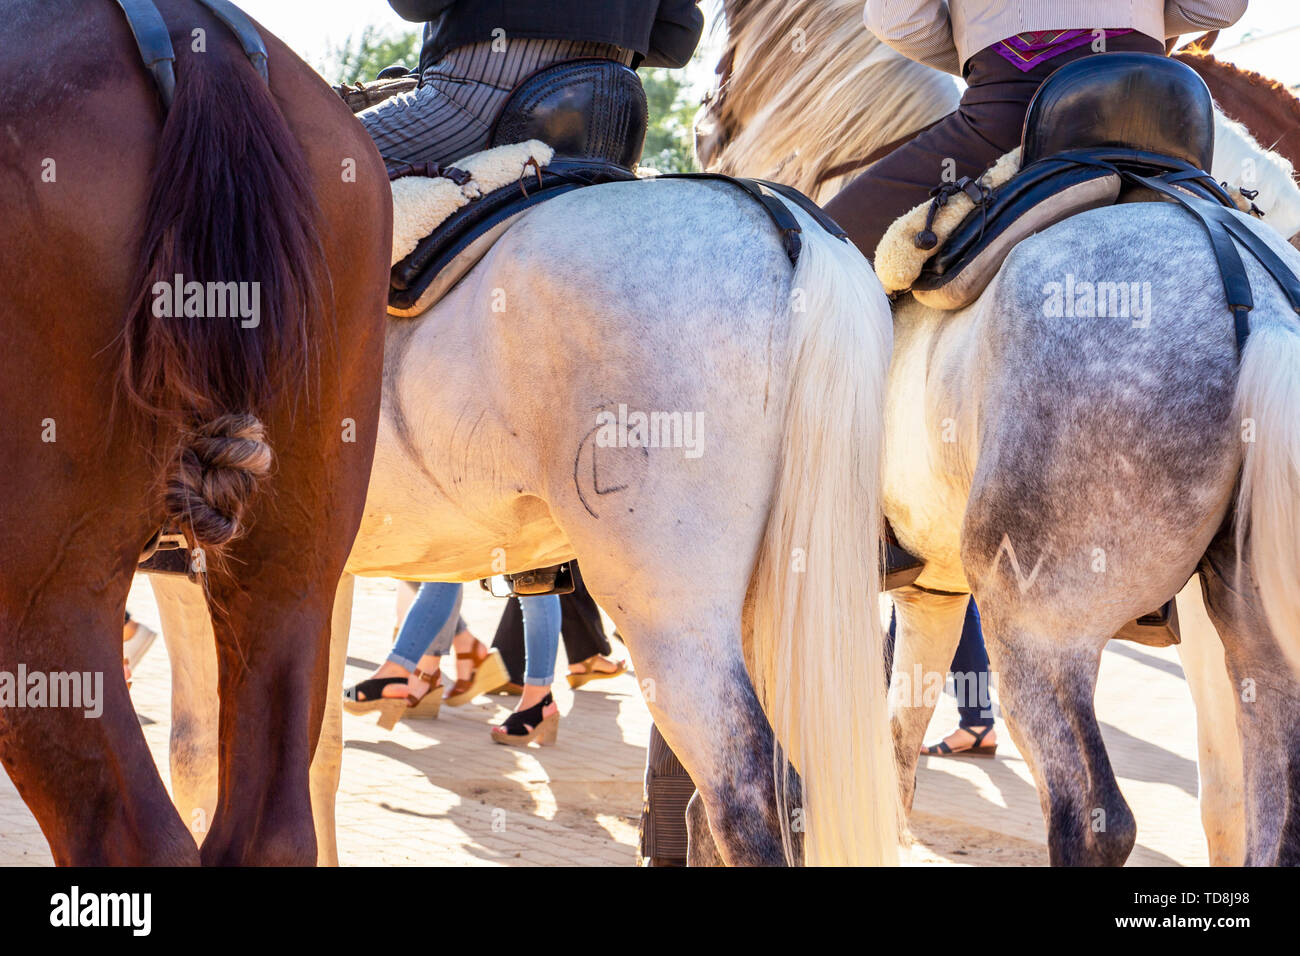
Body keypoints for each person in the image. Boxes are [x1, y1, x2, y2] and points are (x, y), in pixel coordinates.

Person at [824, 0, 1249, 259]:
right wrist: (1134, 26)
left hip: (1013, 108)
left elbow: (898, 19)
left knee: (822, 251)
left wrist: (976, 51)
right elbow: (1220, 7)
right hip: (1154, 109)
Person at [363, 0, 704, 173]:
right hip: (611, 133)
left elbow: (415, 5)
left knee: (313, 154)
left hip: (477, 102)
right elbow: (675, 39)